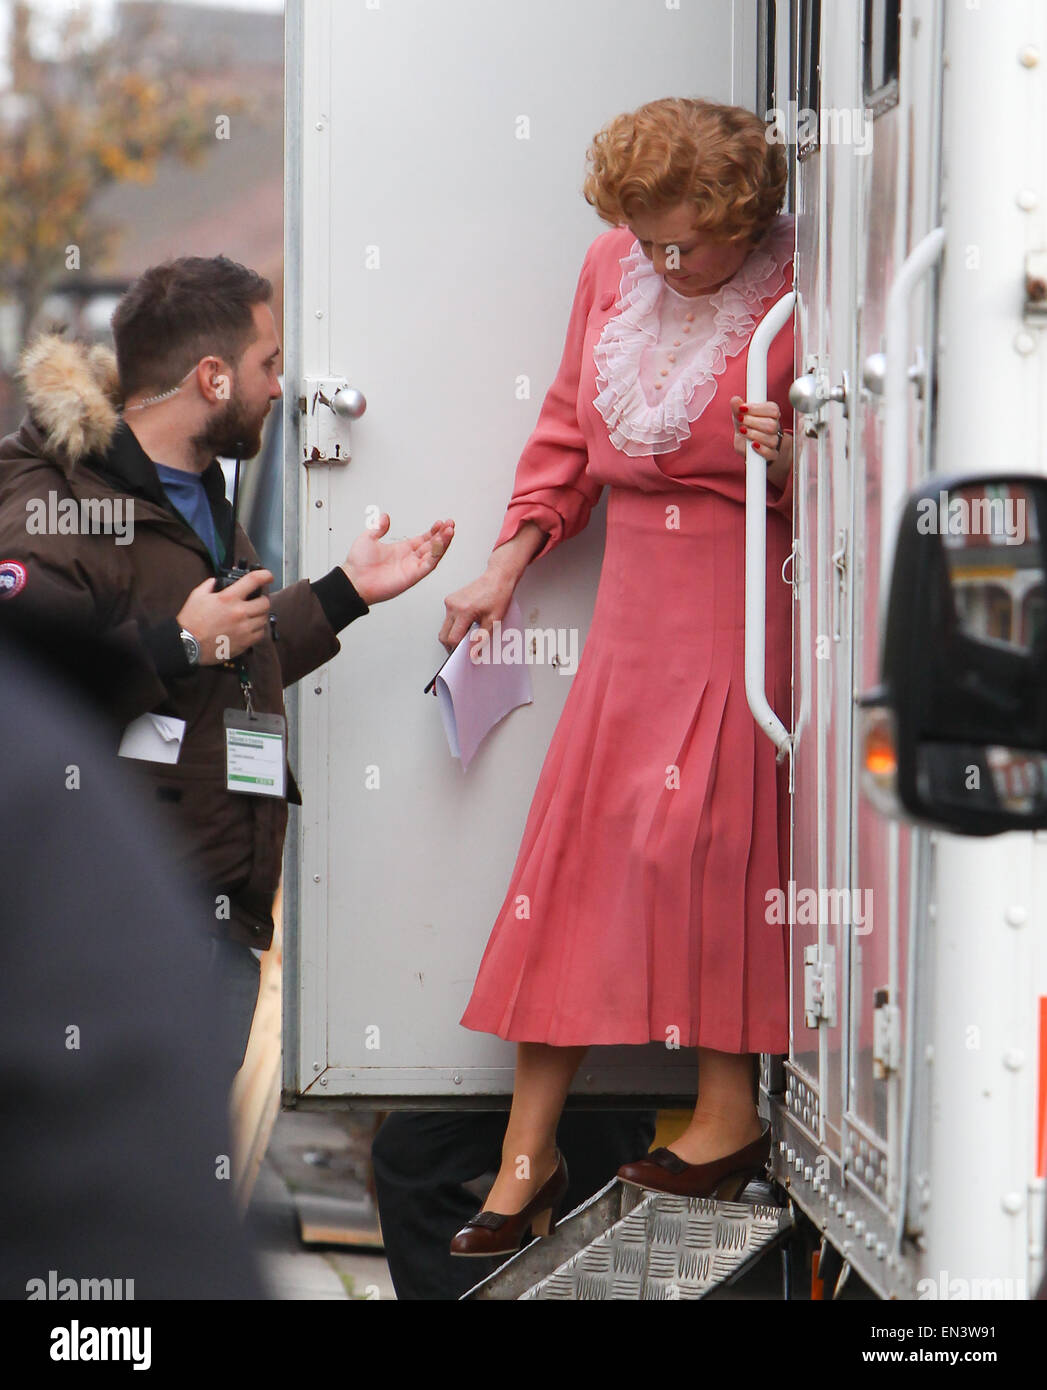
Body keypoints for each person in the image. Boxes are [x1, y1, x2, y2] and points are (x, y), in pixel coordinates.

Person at [439, 98, 796, 1255]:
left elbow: (874, 465)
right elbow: (563, 433)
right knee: (579, 858)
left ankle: (729, 1108)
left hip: (748, 598)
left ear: (745, 216)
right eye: (645, 238)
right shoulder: (614, 264)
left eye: (682, 239)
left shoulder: (808, 290)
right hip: (634, 604)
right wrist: (508, 560)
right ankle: (523, 1156)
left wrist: (793, 459)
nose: (660, 259)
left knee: (697, 842)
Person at [0, 256, 454, 1079]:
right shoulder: (53, 502)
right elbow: (30, 698)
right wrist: (177, 643)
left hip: (211, 918)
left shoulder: (196, 486)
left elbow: (225, 650)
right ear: (212, 378)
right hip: (117, 926)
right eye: (267, 365)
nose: (280, 388)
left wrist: (346, 593)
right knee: (130, 1197)